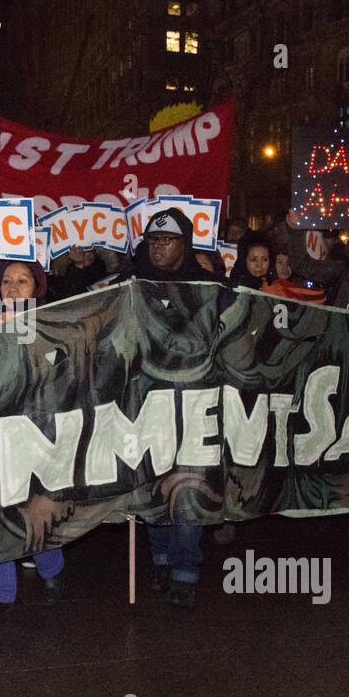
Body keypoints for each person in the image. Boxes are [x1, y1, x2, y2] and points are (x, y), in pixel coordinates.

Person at [115, 208, 222, 606]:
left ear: (185, 244)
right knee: (150, 482)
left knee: (189, 485)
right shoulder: (132, 284)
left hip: (194, 401)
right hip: (144, 401)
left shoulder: (209, 285)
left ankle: (184, 569)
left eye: (167, 240)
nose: (158, 247)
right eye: (153, 240)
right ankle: (160, 558)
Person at [0, 260, 69, 621]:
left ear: (37, 288)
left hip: (37, 431)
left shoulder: (53, 325)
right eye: (7, 281)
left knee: (34, 507)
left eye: (22, 282)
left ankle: (51, 569)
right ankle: (1, 592)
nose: (13, 289)